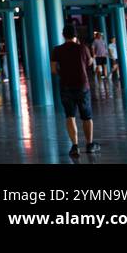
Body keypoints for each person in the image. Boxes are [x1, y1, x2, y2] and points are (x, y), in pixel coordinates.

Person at [50, 24, 97, 156]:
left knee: (70, 115)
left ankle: (75, 146)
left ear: (63, 35)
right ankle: (89, 144)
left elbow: (53, 70)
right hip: (82, 85)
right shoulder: (83, 48)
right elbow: (89, 63)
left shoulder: (57, 50)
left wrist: (63, 73)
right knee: (87, 117)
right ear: (75, 35)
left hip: (66, 85)